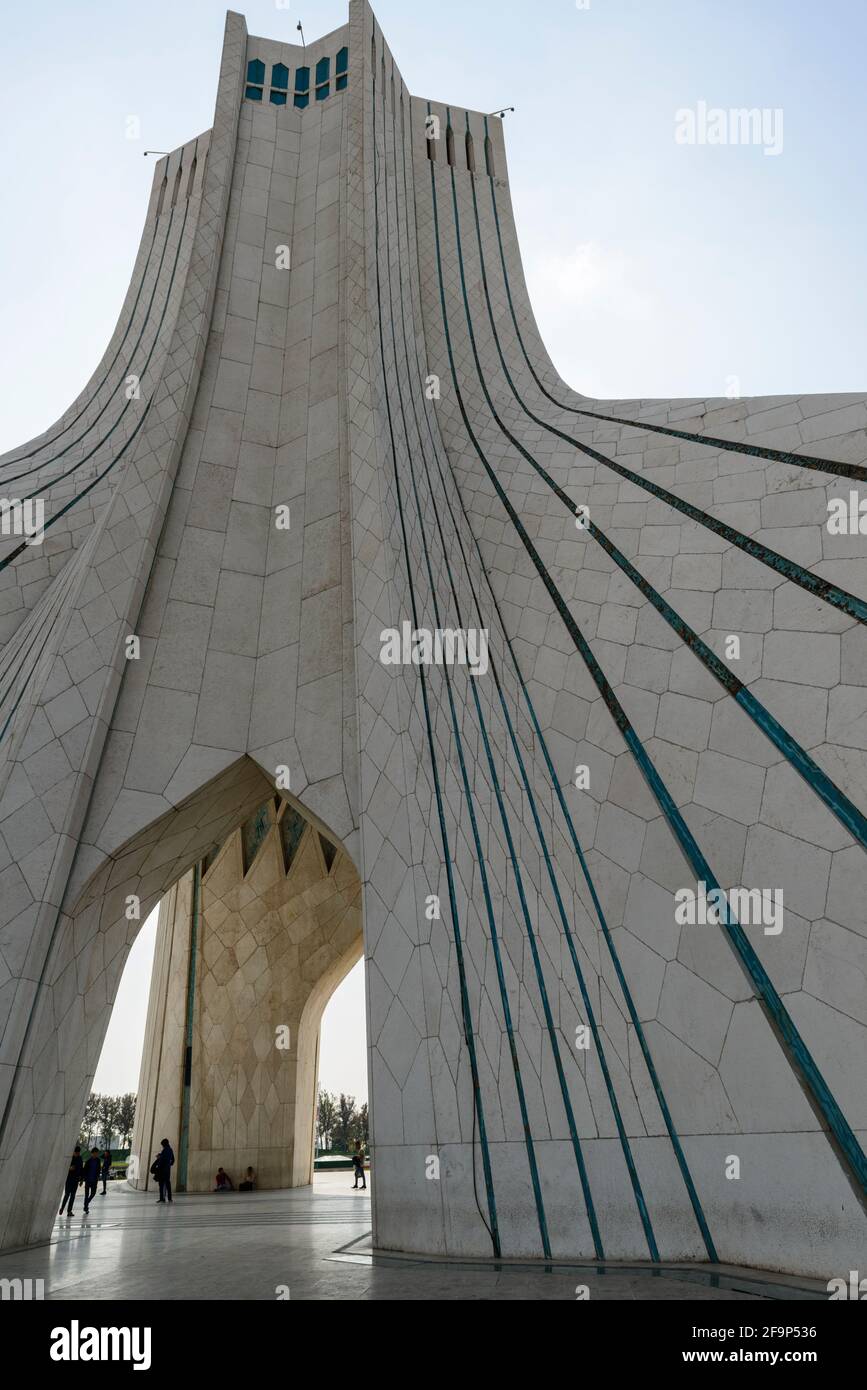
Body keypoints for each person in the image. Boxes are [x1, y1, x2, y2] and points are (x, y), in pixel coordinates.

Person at [59, 1145, 84, 1217]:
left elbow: (81, 1169)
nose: (77, 1154)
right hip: (69, 1179)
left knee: (73, 1196)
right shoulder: (69, 1158)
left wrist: (81, 1179)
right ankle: (62, 1208)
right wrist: (69, 1169)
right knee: (67, 1195)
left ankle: (69, 1211)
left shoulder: (80, 1159)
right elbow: (63, 1168)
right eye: (76, 1153)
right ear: (73, 1152)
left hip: (75, 1180)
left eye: (78, 1153)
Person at [151, 1138, 175, 1203]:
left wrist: (159, 1160)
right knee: (168, 1184)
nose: (162, 1146)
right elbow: (173, 1160)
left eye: (162, 1145)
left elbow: (161, 1161)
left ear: (164, 1144)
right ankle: (170, 1198)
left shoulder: (164, 1150)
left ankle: (162, 1198)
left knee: (161, 1184)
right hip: (167, 1170)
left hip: (162, 1170)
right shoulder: (170, 1150)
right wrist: (169, 1164)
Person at [82, 1146, 101, 1213]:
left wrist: (98, 1177)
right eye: (95, 1153)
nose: (96, 1154)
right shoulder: (88, 1161)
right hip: (88, 1180)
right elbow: (84, 1171)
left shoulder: (98, 1161)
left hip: (94, 1180)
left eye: (97, 1153)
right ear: (92, 1153)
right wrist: (83, 1179)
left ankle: (86, 1203)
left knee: (93, 1193)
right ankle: (86, 1208)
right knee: (86, 1195)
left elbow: (99, 1169)